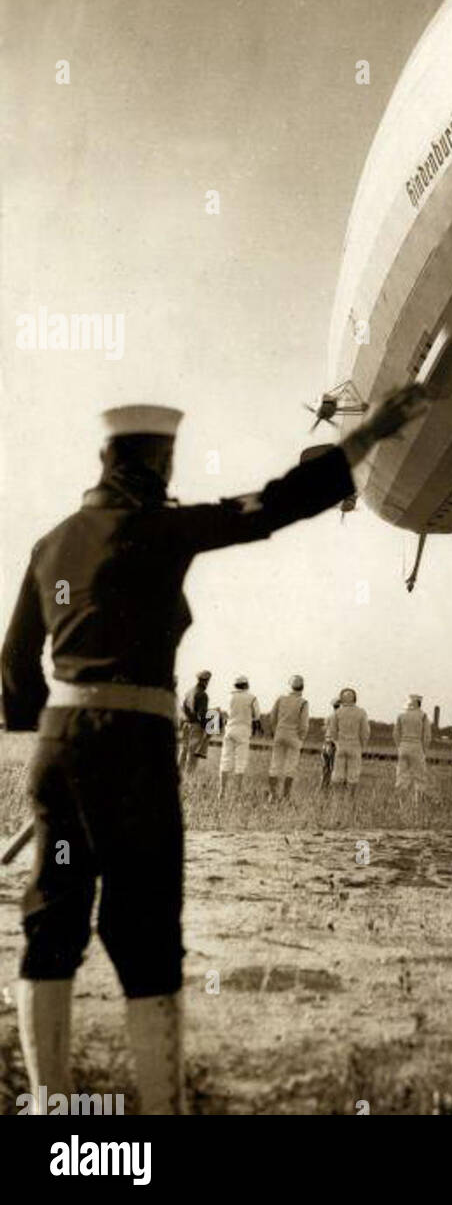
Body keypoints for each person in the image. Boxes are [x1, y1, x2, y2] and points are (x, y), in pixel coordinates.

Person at [0, 387, 428, 1114]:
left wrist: (64, 743)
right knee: (144, 926)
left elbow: (13, 670)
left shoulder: (51, 542)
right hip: (136, 748)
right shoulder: (162, 530)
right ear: (152, 459)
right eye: (168, 459)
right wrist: (368, 436)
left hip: (59, 746)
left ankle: (49, 1115)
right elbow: (270, 506)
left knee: (54, 919)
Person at [267, 675, 309, 802]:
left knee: (275, 765)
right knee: (291, 767)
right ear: (302, 687)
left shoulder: (281, 699)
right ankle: (286, 796)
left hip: (280, 733)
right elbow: (304, 724)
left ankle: (272, 795)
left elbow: (272, 717)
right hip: (294, 736)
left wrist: (275, 731)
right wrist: (301, 738)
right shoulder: (303, 702)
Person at [219, 675, 260, 800]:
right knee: (240, 762)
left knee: (225, 760)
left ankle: (222, 791)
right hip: (243, 730)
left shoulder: (229, 696)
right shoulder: (252, 698)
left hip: (229, 729)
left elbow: (225, 712)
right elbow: (256, 716)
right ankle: (237, 793)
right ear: (246, 685)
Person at [328, 686, 370, 798]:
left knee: (338, 774)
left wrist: (337, 742)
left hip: (341, 746)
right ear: (354, 698)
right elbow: (365, 732)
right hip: (355, 746)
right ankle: (350, 798)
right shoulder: (361, 712)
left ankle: (337, 798)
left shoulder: (337, 713)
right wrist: (362, 745)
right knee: (353, 775)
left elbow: (332, 731)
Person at [394, 692, 432, 813]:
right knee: (419, 778)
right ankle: (417, 807)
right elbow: (427, 736)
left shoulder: (401, 715)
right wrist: (423, 750)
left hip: (403, 746)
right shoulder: (423, 716)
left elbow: (395, 734)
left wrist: (399, 747)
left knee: (401, 777)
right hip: (417, 746)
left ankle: (401, 806)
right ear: (419, 703)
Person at [178, 670, 213, 772]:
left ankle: (179, 774)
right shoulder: (203, 695)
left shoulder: (189, 692)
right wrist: (207, 727)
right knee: (192, 753)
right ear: (206, 681)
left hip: (186, 724)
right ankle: (189, 776)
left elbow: (184, 708)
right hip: (196, 726)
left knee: (183, 751)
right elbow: (202, 714)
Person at [321, 697, 340, 789]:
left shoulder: (328, 717)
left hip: (325, 744)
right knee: (333, 768)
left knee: (325, 768)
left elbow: (324, 729)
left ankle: (323, 787)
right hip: (333, 744)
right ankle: (332, 787)